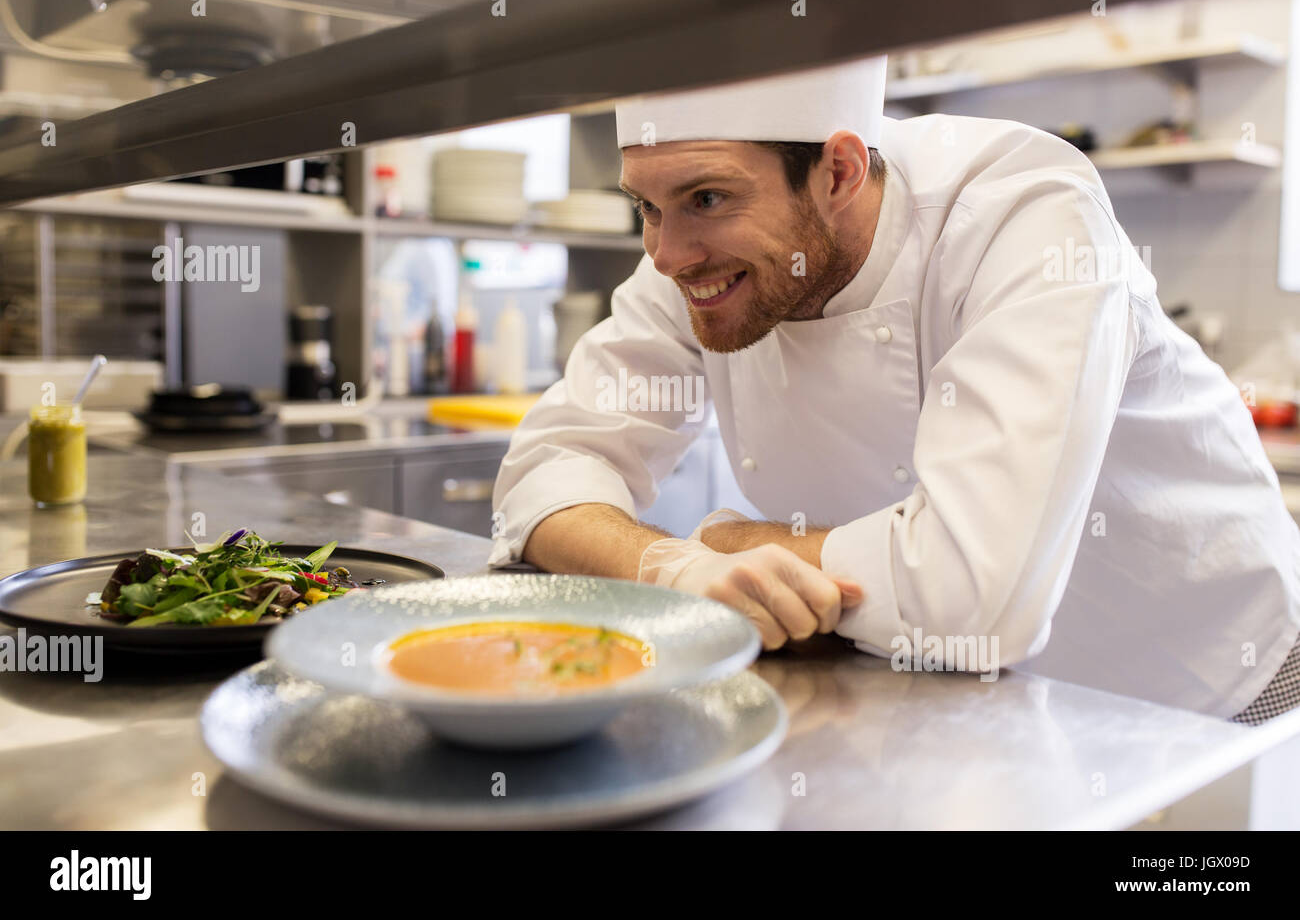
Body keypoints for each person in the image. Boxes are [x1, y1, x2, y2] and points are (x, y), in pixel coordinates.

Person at [489, 55, 1300, 722]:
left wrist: (746, 548)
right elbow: (547, 469)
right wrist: (667, 565)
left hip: (1212, 695)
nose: (667, 253)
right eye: (646, 206)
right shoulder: (696, 261)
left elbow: (974, 600)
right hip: (982, 704)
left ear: (838, 170)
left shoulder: (1024, 217)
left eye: (707, 198)